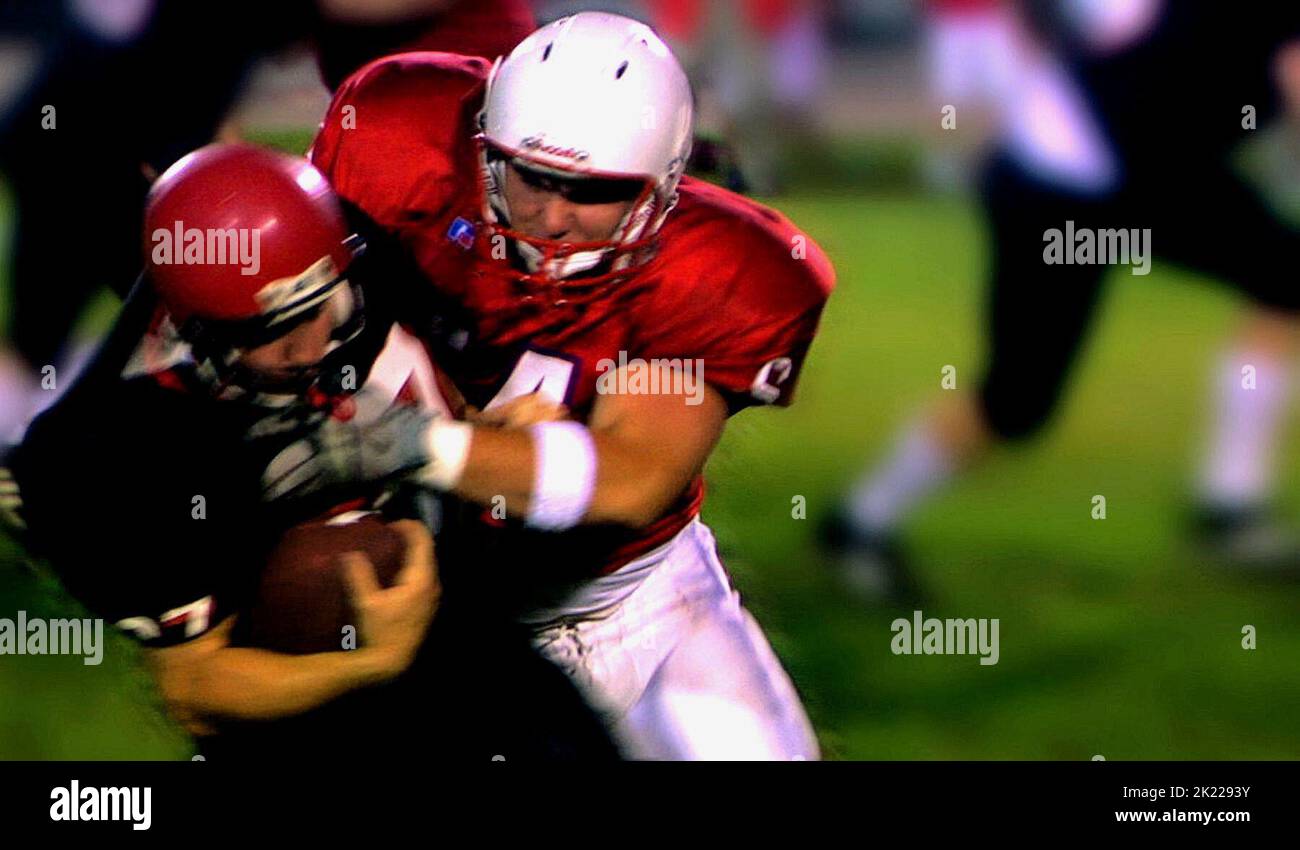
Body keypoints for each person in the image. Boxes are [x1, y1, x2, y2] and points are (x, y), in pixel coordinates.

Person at [272, 12, 836, 759]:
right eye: (532, 176)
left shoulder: (718, 271)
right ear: (485, 148)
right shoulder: (396, 142)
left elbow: (632, 478)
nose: (554, 215)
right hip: (437, 610)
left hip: (632, 608)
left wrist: (417, 445)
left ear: (664, 189)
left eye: (592, 191)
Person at [11, 143, 617, 760]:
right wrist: (377, 658)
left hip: (440, 598)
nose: (306, 351)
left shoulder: (344, 247)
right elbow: (194, 686)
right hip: (285, 669)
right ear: (196, 331)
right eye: (267, 333)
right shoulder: (120, 452)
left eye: (316, 309)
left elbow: (452, 401)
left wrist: (487, 433)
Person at [826, 1, 1300, 600]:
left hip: (1143, 170)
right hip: (1064, 183)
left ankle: (1230, 504)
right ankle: (858, 523)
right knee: (1017, 403)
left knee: (1284, 277)